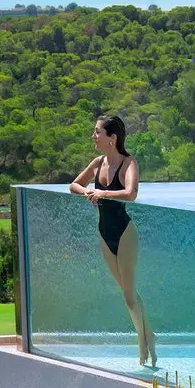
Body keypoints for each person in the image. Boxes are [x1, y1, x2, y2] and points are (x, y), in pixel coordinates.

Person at [69, 115, 154, 366]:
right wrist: (87, 191)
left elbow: (131, 193)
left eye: (97, 132)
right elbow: (74, 184)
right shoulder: (97, 163)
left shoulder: (129, 162)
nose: (93, 136)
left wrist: (102, 192)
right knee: (129, 294)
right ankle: (150, 336)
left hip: (125, 233)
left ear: (112, 138)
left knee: (129, 298)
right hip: (104, 236)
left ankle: (143, 343)